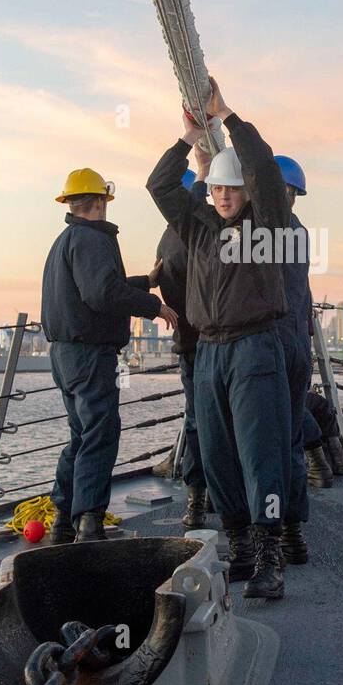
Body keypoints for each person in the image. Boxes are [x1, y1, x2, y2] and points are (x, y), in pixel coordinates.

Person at [147, 78, 292, 599]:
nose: (225, 195)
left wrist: (227, 116)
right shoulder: (199, 226)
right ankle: (242, 550)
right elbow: (159, 186)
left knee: (260, 453)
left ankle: (271, 555)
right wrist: (187, 139)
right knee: (217, 454)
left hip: (254, 348)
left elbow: (267, 173)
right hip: (207, 350)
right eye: (218, 188)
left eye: (233, 188)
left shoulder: (268, 224)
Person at [41, 167, 178, 542]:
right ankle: (89, 521)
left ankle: (64, 520)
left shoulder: (66, 240)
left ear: (70, 202)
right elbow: (101, 294)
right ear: (101, 202)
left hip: (64, 356)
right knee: (101, 433)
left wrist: (143, 282)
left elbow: (98, 285)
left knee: (82, 436)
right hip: (89, 355)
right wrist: (153, 305)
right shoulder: (92, 239)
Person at [154, 169, 210, 530]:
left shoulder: (165, 239)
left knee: (195, 421)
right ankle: (218, 495)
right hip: (211, 342)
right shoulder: (197, 232)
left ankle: (196, 499)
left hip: (187, 343)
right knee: (222, 422)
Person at [272, 155, 313, 563]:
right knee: (291, 442)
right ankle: (293, 534)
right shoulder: (298, 232)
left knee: (263, 445)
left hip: (272, 348)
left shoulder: (269, 231)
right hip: (297, 345)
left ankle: (268, 535)